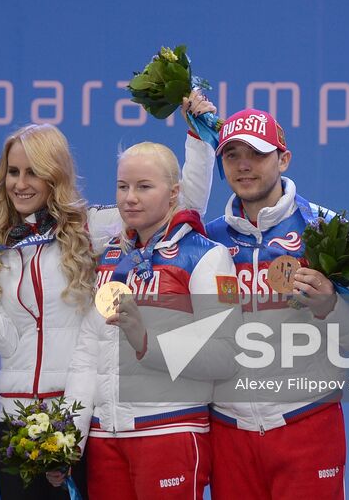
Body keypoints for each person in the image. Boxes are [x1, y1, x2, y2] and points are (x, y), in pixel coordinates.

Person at [0, 93, 217, 499]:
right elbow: (5, 341)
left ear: (54, 175)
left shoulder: (89, 228)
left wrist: (198, 139)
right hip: (17, 422)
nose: (20, 184)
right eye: (13, 172)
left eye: (33, 172)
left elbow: (179, 207)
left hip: (77, 417)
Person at [203, 108, 349, 499]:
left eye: (257, 154)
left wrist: (331, 307)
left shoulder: (331, 232)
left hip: (307, 425)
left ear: (284, 159)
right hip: (228, 434)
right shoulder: (207, 243)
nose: (243, 165)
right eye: (232, 155)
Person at [62, 141, 236, 500]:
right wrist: (69, 438)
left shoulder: (206, 257)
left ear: (173, 193)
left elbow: (225, 355)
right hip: (105, 437)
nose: (130, 198)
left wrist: (147, 342)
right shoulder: (110, 259)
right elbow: (87, 354)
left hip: (169, 432)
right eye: (122, 186)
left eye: (144, 187)